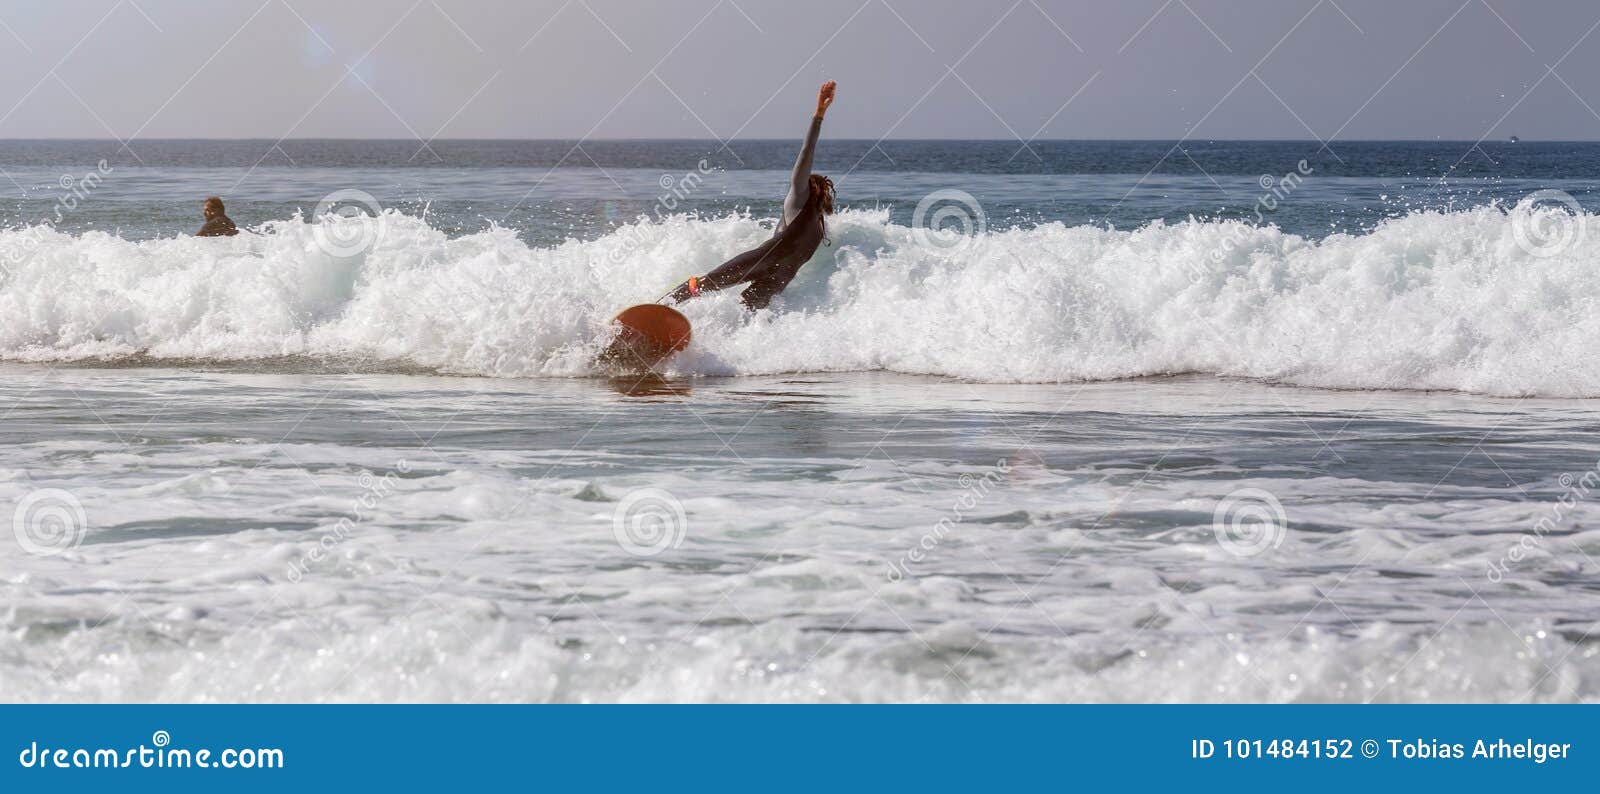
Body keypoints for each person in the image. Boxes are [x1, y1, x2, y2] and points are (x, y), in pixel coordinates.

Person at [667, 80, 837, 311]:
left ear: (809, 187)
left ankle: (665, 308)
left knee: (703, 286)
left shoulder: (799, 198)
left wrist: (818, 114)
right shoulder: (819, 230)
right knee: (746, 314)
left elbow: (807, 151)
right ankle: (662, 310)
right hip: (778, 280)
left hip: (760, 262)